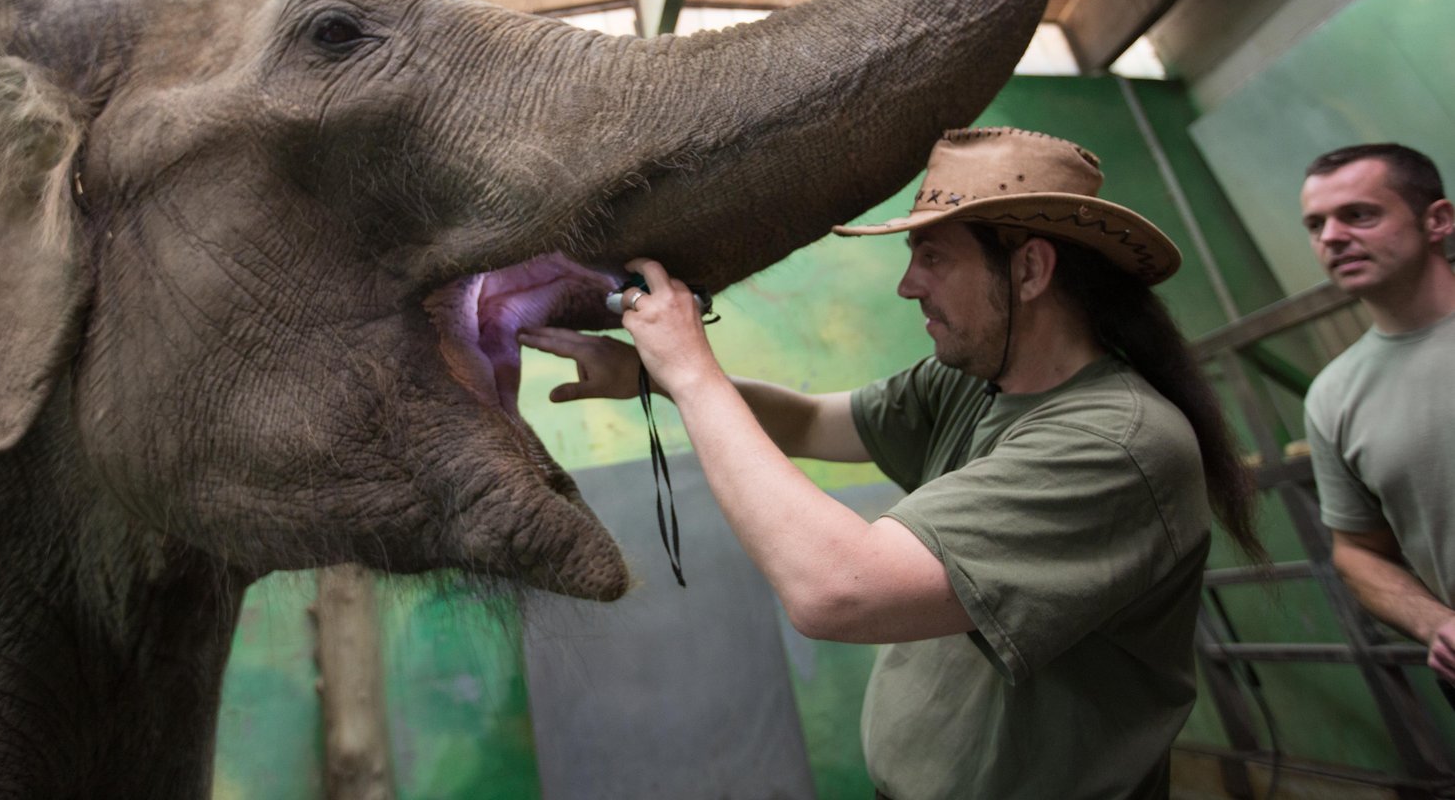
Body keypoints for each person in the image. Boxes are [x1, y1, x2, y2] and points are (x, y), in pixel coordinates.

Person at [522, 127, 1263, 800]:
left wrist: (690, 370)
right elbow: (813, 420)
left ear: (1031, 270)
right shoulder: (973, 381)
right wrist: (646, 376)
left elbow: (837, 592)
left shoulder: (1116, 444)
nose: (909, 285)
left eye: (933, 257)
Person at [1299, 143, 1455, 692]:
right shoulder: (1333, 396)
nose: (1332, 237)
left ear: (1437, 220)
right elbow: (1358, 551)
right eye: (1316, 225)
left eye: (1358, 215)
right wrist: (1436, 624)